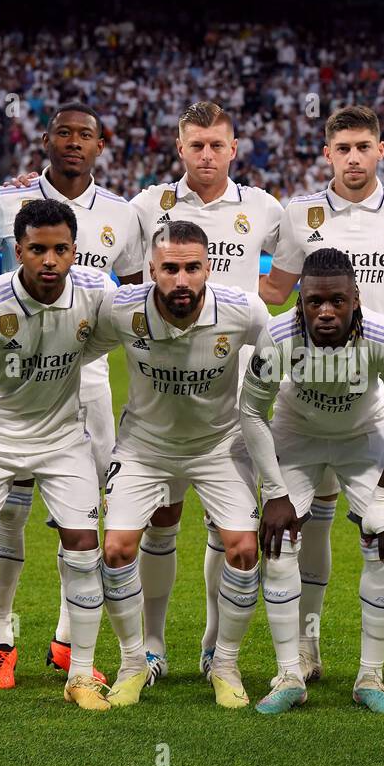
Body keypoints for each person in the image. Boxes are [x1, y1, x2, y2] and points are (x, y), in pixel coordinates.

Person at [261, 104, 384, 694]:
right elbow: (276, 290)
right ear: (327, 154)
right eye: (342, 148)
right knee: (306, 531)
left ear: (382, 150)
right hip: (308, 391)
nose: (354, 158)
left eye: (364, 147)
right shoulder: (301, 214)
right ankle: (305, 645)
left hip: (381, 394)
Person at [0, 102, 143, 690]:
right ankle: (0, 642)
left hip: (85, 379)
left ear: (101, 145)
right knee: (8, 514)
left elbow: (136, 297)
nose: (74, 143)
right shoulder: (5, 202)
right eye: (63, 133)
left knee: (85, 516)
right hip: (12, 380)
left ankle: (69, 642)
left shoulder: (122, 214)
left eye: (85, 135)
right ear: (45, 139)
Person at [126, 101, 283, 684]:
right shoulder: (147, 206)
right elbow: (115, 274)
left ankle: (216, 648)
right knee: (161, 520)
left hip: (240, 400)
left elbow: (292, 271)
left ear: (234, 148)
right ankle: (152, 643)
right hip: (164, 397)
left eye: (217, 145)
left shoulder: (264, 208)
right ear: (180, 148)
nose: (207, 155)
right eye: (197, 145)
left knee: (227, 528)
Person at [0, 199, 110, 712]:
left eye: (61, 249)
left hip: (62, 440)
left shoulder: (97, 295)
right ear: (17, 251)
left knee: (83, 546)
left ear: (76, 250)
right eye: (37, 250)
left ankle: (80, 675)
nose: (50, 260)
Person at [91, 220, 272, 709]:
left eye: (193, 267)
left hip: (219, 445)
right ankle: (136, 660)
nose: (182, 279)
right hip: (144, 447)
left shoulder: (242, 311)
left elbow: (283, 354)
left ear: (208, 267)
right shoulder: (120, 309)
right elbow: (73, 344)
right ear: (151, 269)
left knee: (241, 549)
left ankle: (225, 663)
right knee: (116, 549)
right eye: (170, 268)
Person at [240, 248, 384, 715]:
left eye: (337, 302)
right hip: (297, 434)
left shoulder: (383, 337)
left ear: (355, 299)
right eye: (314, 302)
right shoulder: (278, 334)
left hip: (363, 434)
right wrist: (276, 493)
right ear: (300, 300)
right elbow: (250, 410)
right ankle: (289, 674)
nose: (325, 312)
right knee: (280, 542)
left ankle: (369, 676)